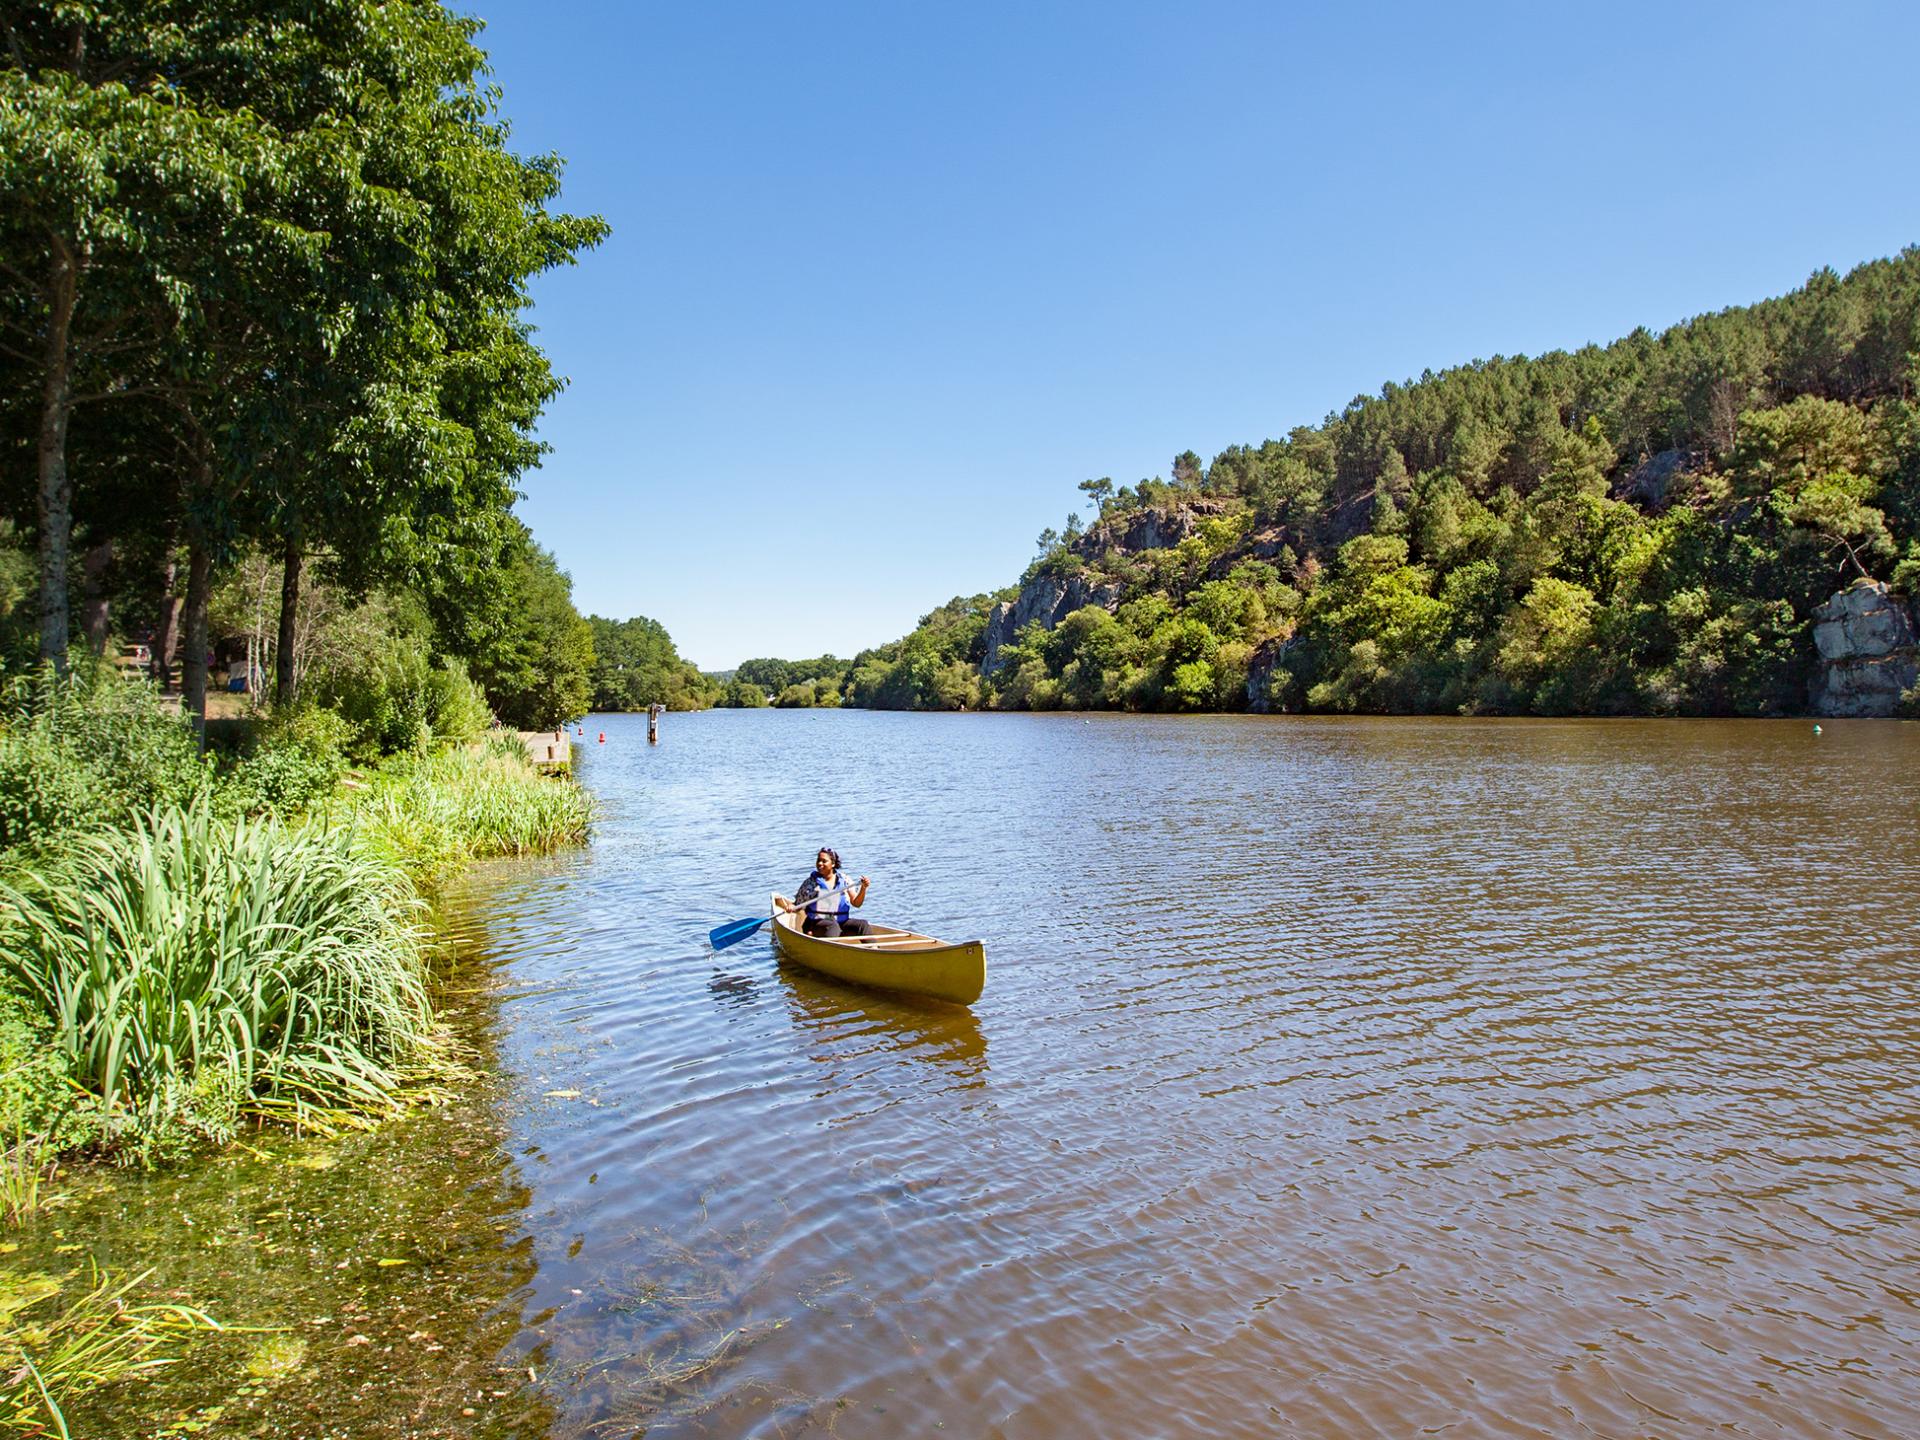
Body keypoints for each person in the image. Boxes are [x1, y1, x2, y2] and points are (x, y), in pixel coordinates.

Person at [777, 847, 872, 938]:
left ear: (833, 864)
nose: (819, 863)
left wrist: (863, 888)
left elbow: (857, 903)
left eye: (824, 861)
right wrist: (791, 907)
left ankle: (874, 950)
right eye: (818, 860)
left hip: (840, 924)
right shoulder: (811, 883)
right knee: (832, 926)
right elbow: (798, 906)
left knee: (863, 925)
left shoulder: (845, 880)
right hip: (815, 925)